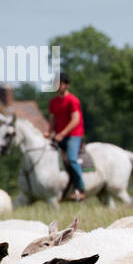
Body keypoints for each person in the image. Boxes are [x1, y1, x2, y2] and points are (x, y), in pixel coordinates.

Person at [47, 71, 87, 202]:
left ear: (66, 85)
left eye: (60, 83)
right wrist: (49, 131)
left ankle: (80, 189)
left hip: (73, 135)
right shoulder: (53, 102)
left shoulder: (73, 100)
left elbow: (75, 120)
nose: (57, 86)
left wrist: (62, 134)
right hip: (59, 135)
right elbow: (53, 120)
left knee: (71, 159)